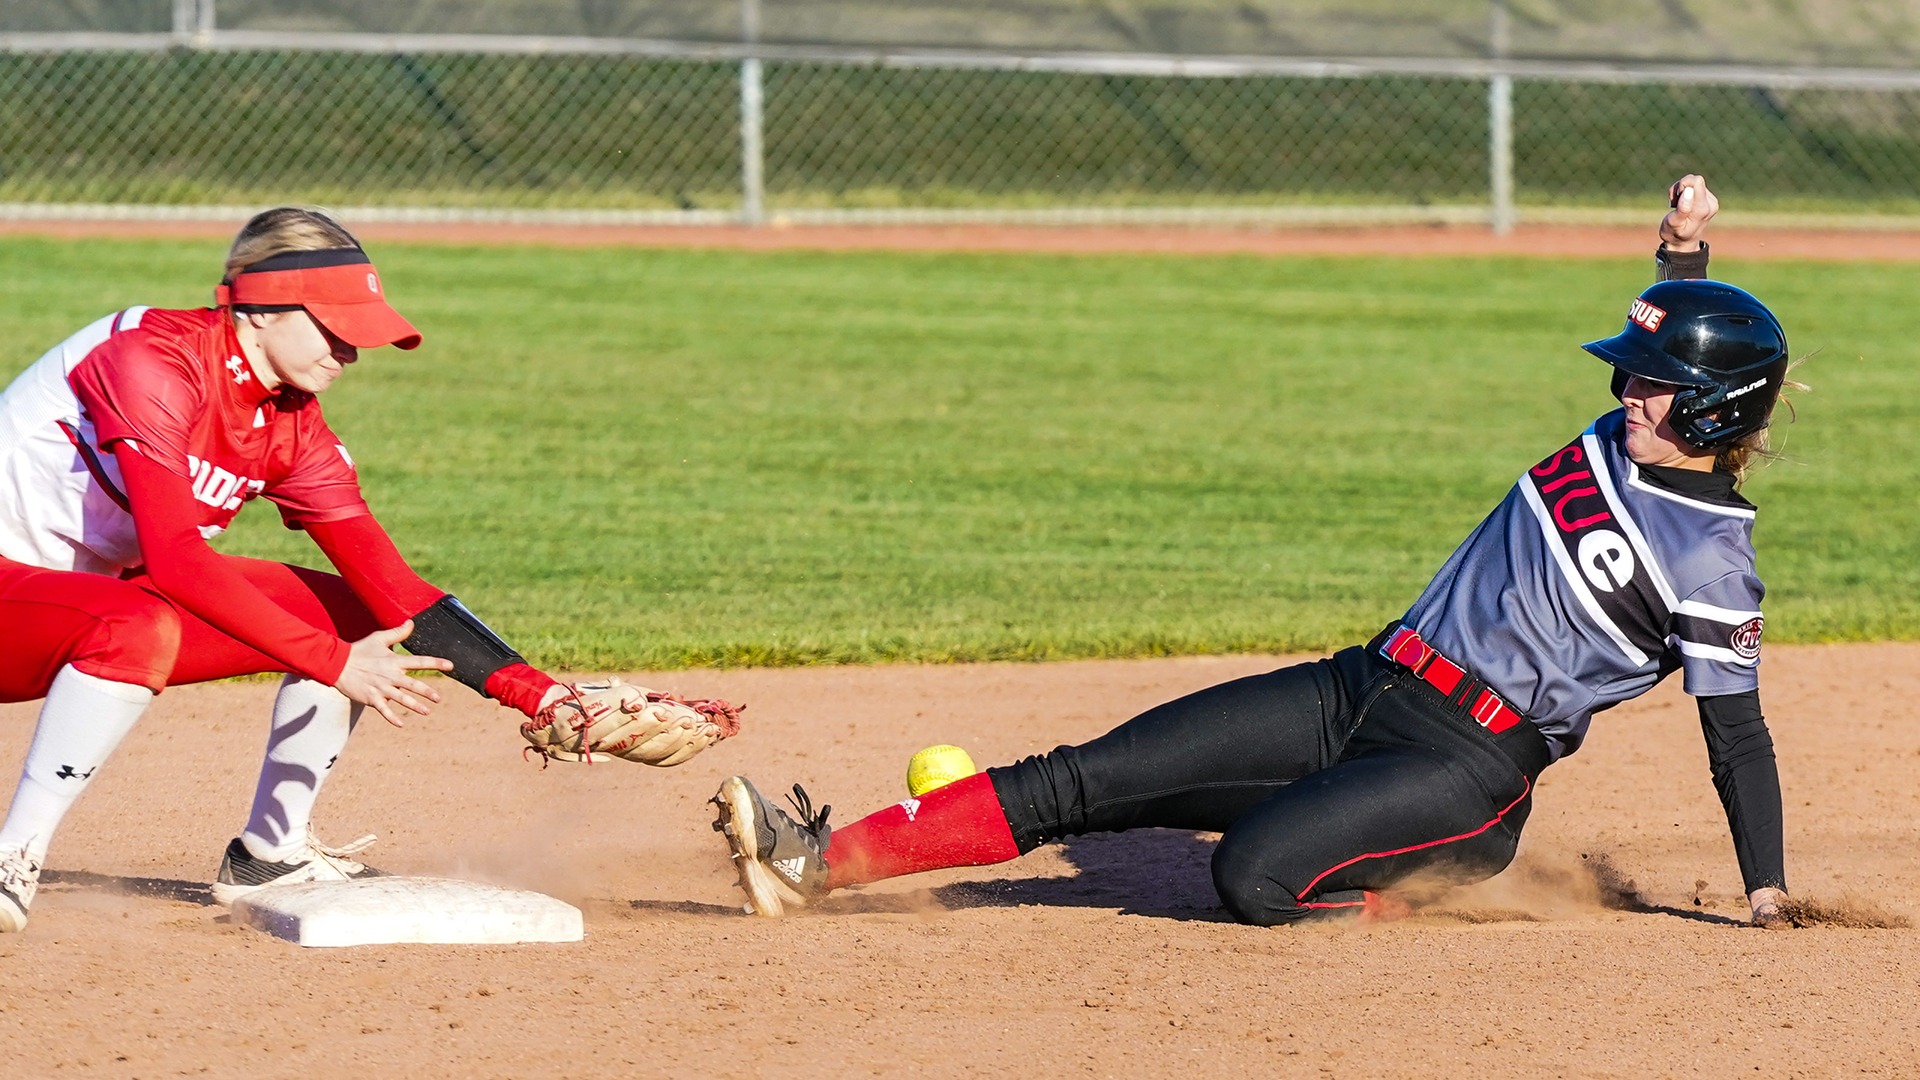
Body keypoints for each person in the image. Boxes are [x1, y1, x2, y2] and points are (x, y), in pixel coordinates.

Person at [709, 175, 1799, 928]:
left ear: (1712, 414)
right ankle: (818, 863)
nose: (1625, 392)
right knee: (1080, 780)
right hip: (1364, 686)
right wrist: (1682, 248)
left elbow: (1736, 734)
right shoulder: (1618, 434)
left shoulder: (1711, 563)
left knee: (1253, 875)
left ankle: (1435, 871)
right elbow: (1682, 329)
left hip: (1466, 772)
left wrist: (1766, 891)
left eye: (1654, 385)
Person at [0, 208, 616, 932]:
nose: (350, 352)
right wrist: (332, 664)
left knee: (358, 615)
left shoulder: (290, 424)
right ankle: (14, 855)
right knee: (134, 623)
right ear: (260, 308)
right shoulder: (150, 360)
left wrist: (549, 700)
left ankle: (271, 852)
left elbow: (397, 594)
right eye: (335, 328)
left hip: (71, 608)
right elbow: (175, 561)